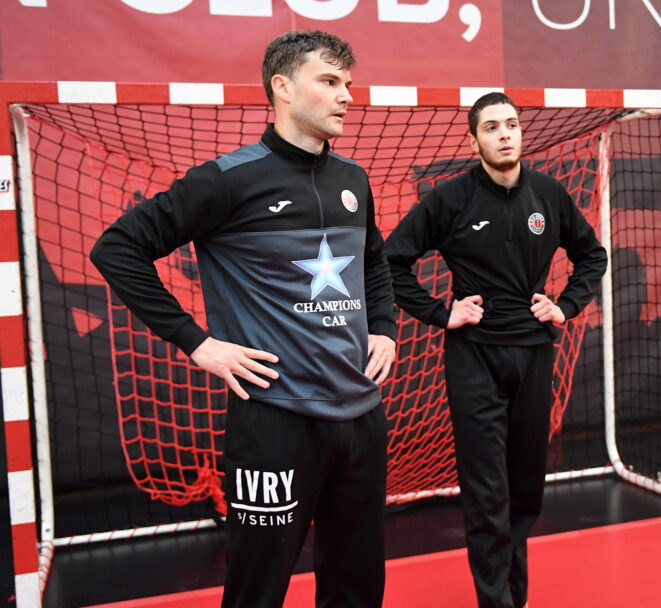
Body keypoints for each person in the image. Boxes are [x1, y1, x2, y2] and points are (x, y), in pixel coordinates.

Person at [90, 30, 395, 608]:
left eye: (348, 84)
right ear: (283, 87)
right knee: (257, 590)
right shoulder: (228, 179)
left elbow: (374, 261)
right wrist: (198, 343)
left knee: (358, 588)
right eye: (330, 81)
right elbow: (117, 248)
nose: (346, 96)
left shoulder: (353, 179)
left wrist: (384, 326)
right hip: (275, 424)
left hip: (361, 419)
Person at [383, 92, 607, 608]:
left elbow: (591, 256)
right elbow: (390, 262)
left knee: (525, 488)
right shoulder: (450, 199)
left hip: (534, 353)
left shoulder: (549, 194)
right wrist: (441, 313)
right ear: (474, 141)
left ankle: (514, 596)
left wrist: (565, 306)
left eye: (511, 125)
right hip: (475, 356)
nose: (504, 134)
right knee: (487, 489)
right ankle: (496, 601)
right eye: (491, 127)